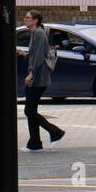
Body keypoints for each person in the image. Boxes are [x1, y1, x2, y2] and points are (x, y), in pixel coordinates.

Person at [16, 9, 64, 152]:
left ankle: (55, 132)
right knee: (31, 110)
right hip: (38, 76)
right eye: (25, 17)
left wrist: (31, 74)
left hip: (38, 78)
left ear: (36, 20)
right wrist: (23, 53)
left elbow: (38, 58)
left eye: (28, 18)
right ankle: (34, 143)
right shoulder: (35, 33)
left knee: (29, 111)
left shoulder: (39, 33)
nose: (25, 20)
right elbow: (36, 53)